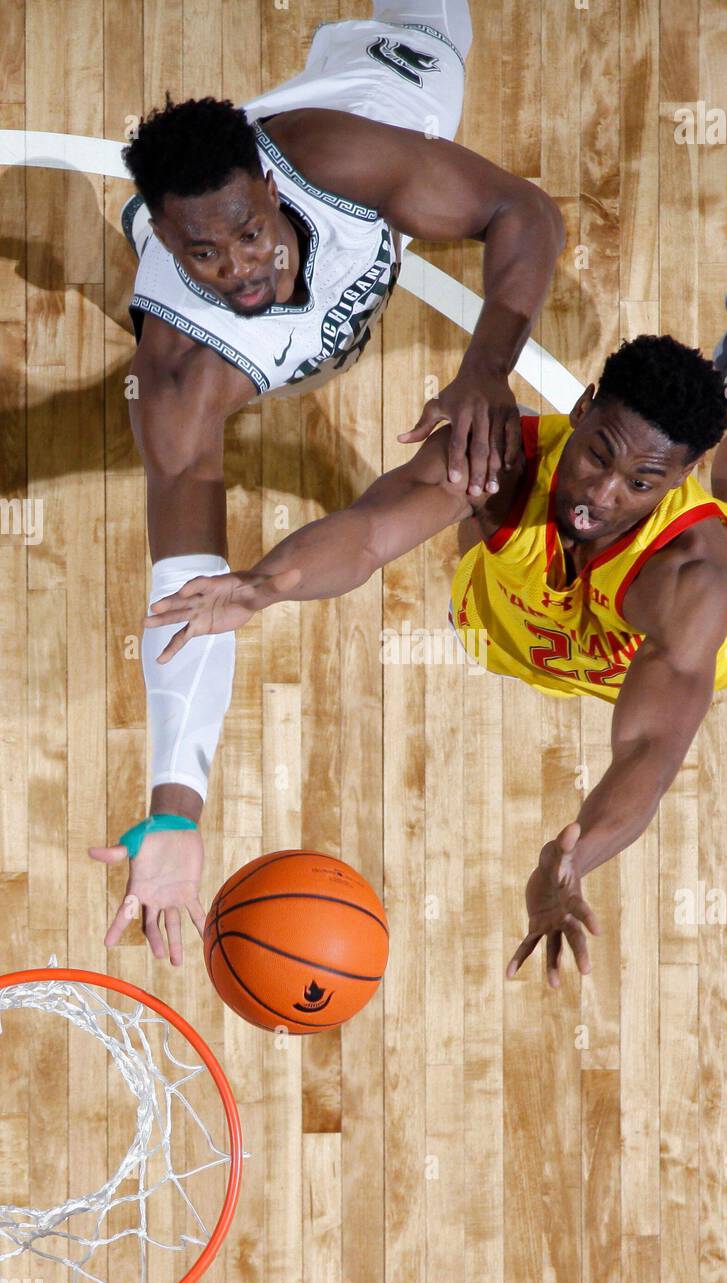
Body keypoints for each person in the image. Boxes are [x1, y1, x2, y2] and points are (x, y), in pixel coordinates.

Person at [137, 276, 727, 984]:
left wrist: (575, 857)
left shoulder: (694, 577)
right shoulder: (501, 455)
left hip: (705, 639)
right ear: (581, 409)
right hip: (521, 623)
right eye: (596, 455)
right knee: (475, 495)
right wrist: (263, 586)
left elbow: (650, 744)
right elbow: (368, 536)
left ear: (681, 477)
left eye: (640, 483)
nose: (600, 496)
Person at [88, 0, 566, 961]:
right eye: (203, 255)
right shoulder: (183, 370)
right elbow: (190, 602)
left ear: (270, 185)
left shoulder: (342, 162)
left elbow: (528, 211)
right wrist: (174, 808)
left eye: (249, 233)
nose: (239, 269)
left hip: (391, 67)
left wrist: (484, 369)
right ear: (169, 248)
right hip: (257, 328)